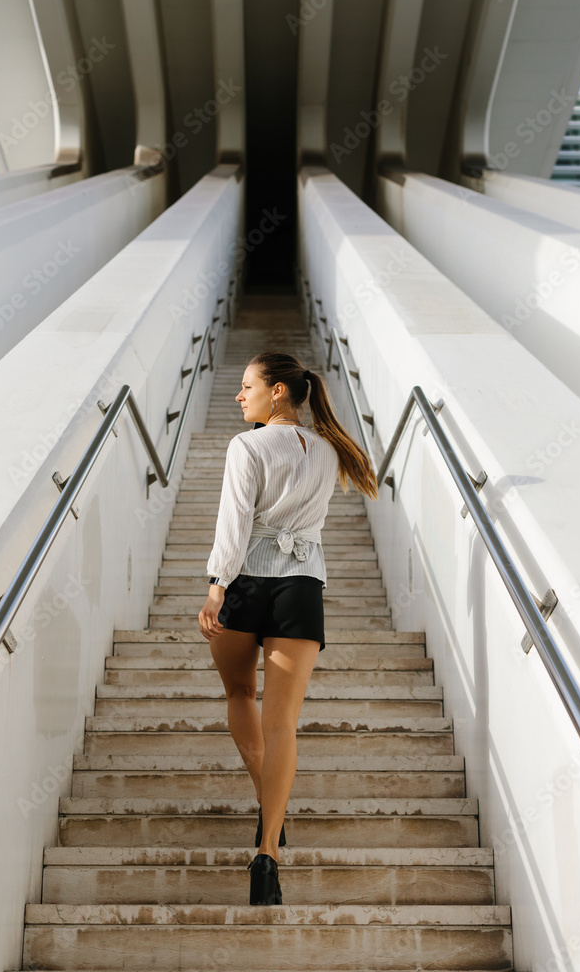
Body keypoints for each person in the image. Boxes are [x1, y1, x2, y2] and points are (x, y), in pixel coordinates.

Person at [198, 351, 378, 905]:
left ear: (278, 391)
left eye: (247, 385)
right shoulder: (330, 450)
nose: (238, 395)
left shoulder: (246, 446)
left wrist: (215, 583)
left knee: (238, 693)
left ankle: (267, 808)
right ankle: (268, 850)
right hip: (302, 587)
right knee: (284, 725)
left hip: (247, 580)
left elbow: (234, 520)